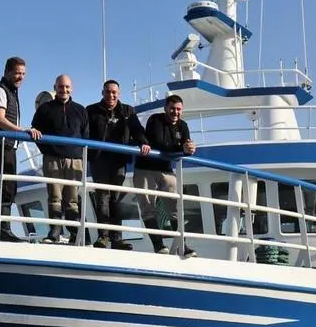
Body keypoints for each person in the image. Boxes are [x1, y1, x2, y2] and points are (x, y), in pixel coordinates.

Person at [0, 56, 42, 242]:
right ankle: (0, 231)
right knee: (4, 188)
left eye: (23, 74)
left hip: (7, 145)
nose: (20, 77)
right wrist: (22, 131)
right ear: (7, 72)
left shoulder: (11, 91)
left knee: (7, 188)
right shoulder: (0, 91)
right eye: (17, 73)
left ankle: (1, 229)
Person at [85, 79, 150, 249]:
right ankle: (103, 236)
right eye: (108, 91)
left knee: (115, 198)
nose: (111, 95)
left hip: (118, 160)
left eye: (114, 92)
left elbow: (137, 130)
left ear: (118, 94)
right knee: (102, 197)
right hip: (99, 160)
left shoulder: (127, 111)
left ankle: (117, 238)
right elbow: (84, 132)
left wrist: (143, 142)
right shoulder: (91, 111)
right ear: (102, 93)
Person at [134, 94, 197, 256]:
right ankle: (158, 245)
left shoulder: (183, 126)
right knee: (148, 208)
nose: (175, 112)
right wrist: (181, 149)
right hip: (145, 168)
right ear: (165, 108)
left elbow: (185, 145)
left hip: (165, 169)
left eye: (178, 109)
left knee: (175, 206)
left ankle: (183, 245)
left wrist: (189, 148)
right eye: (172, 108)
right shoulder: (155, 120)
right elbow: (159, 144)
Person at [31, 74, 89, 244]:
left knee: (72, 198)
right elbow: (36, 131)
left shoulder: (80, 110)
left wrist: (77, 153)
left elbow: (86, 134)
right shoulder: (45, 109)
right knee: (54, 196)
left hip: (75, 160)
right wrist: (48, 151)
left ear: (72, 88)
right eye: (61, 86)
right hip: (52, 158)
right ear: (55, 87)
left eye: (67, 87)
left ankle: (74, 233)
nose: (64, 90)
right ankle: (55, 231)